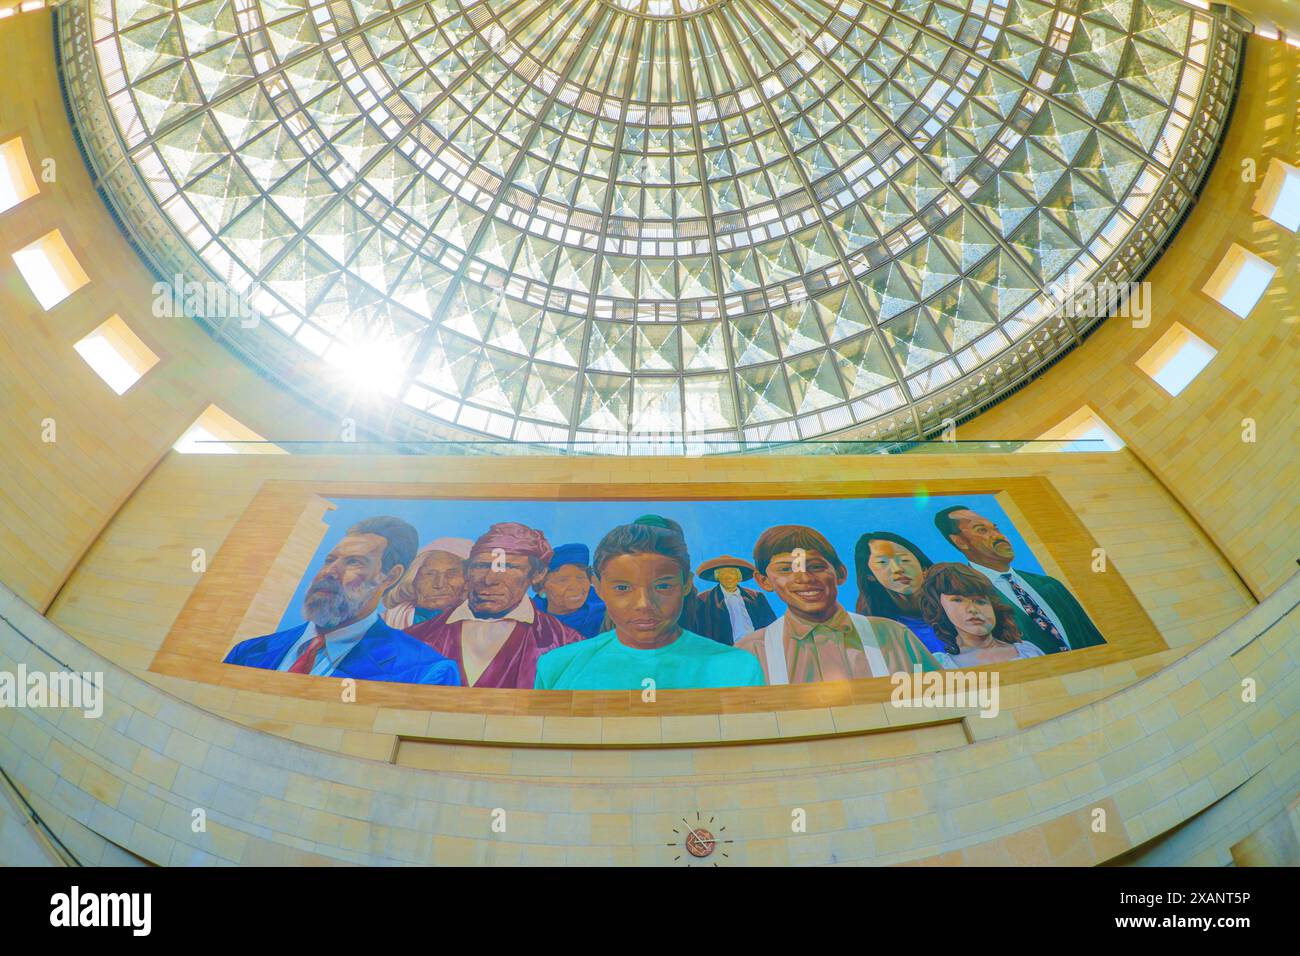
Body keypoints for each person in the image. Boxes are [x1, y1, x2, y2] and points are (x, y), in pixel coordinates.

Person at [224, 517, 459, 685]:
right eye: (330, 559)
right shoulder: (247, 653)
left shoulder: (424, 672)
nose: (330, 572)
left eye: (354, 562)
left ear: (390, 576)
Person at [535, 522, 766, 691]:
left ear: (686, 584)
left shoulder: (738, 667)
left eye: (663, 586)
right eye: (623, 589)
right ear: (598, 587)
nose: (644, 605)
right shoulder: (557, 666)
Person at [736, 525, 940, 683]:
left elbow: (943, 701)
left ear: (841, 573)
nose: (805, 578)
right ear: (763, 581)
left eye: (816, 566)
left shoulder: (893, 635)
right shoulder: (751, 652)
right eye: (785, 570)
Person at [407, 522, 583, 688]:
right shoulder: (416, 638)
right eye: (482, 566)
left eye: (507, 567)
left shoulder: (567, 644)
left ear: (538, 574)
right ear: (467, 571)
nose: (490, 579)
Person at [933, 505, 1106, 655]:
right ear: (960, 541)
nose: (998, 536)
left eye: (996, 528)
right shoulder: (964, 599)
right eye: (982, 530)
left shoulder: (1050, 586)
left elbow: (1093, 639)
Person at [918, 563, 1044, 668]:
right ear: (939, 608)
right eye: (958, 600)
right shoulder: (938, 665)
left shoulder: (1027, 651)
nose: (973, 609)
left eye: (980, 601)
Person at [854, 531, 944, 654]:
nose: (897, 569)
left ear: (923, 566)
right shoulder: (875, 628)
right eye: (882, 562)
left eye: (904, 560)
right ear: (870, 576)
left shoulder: (956, 605)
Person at [382, 537, 472, 630]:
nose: (439, 584)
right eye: (429, 574)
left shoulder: (479, 624)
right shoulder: (386, 623)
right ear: (413, 580)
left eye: (451, 574)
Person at [690, 555, 777, 646]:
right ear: (717, 577)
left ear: (738, 576)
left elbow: (772, 626)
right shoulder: (703, 599)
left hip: (757, 646)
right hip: (725, 652)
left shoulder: (756, 597)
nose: (728, 577)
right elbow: (698, 632)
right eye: (723, 573)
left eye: (732, 572)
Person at [534, 543, 606, 639]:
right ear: (541, 588)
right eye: (563, 580)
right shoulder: (527, 621)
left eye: (580, 577)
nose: (575, 587)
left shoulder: (606, 616)